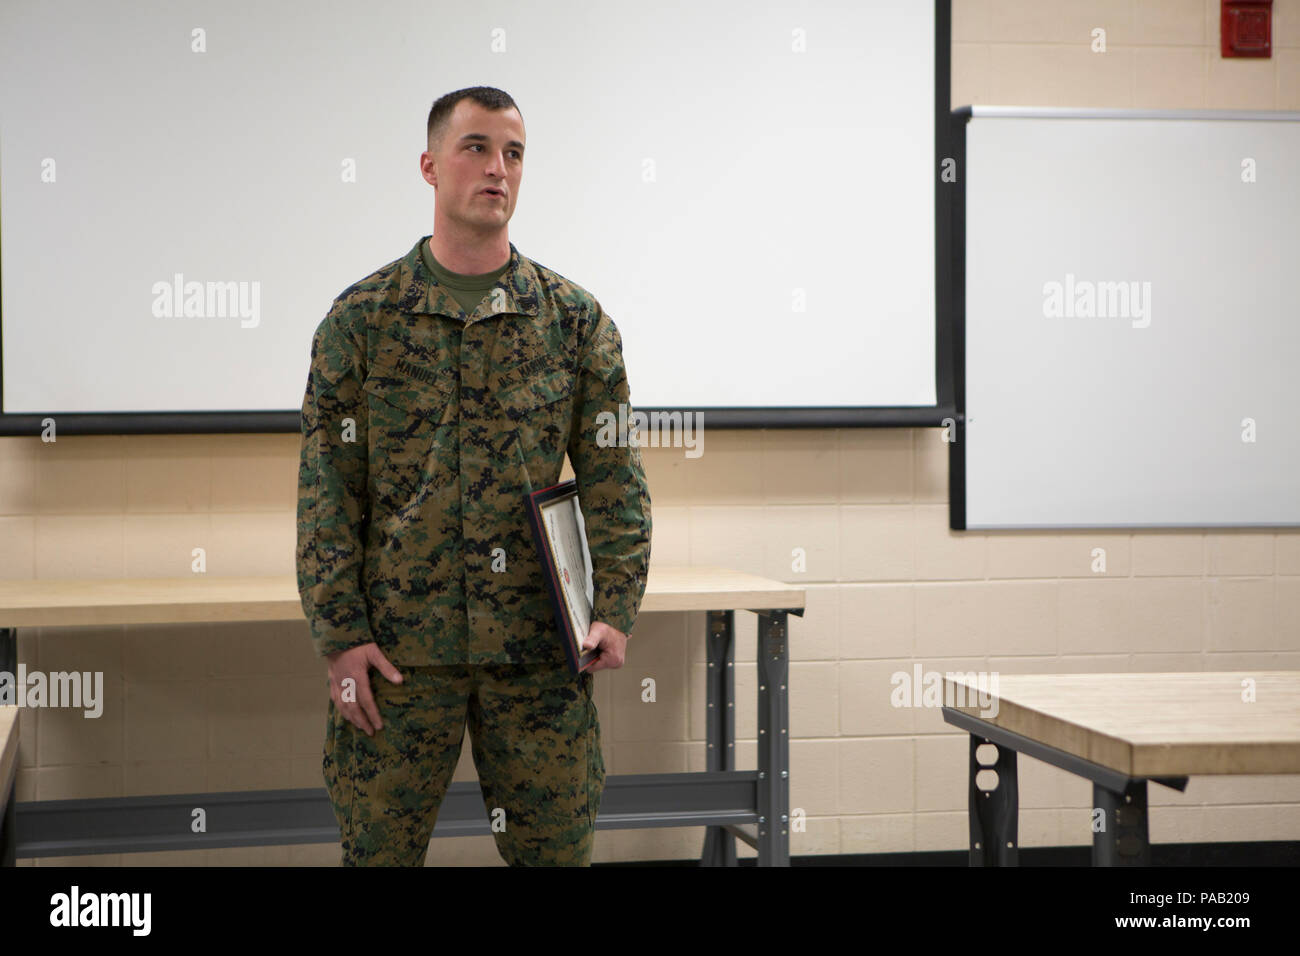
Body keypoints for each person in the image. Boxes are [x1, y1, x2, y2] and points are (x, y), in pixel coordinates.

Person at [295, 86, 652, 866]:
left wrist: (616, 607)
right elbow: (327, 489)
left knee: (554, 856)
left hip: (536, 652)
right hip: (399, 655)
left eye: (513, 153)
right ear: (429, 166)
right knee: (379, 854)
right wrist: (340, 635)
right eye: (477, 148)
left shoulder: (573, 321)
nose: (498, 168)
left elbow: (615, 477)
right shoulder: (361, 322)